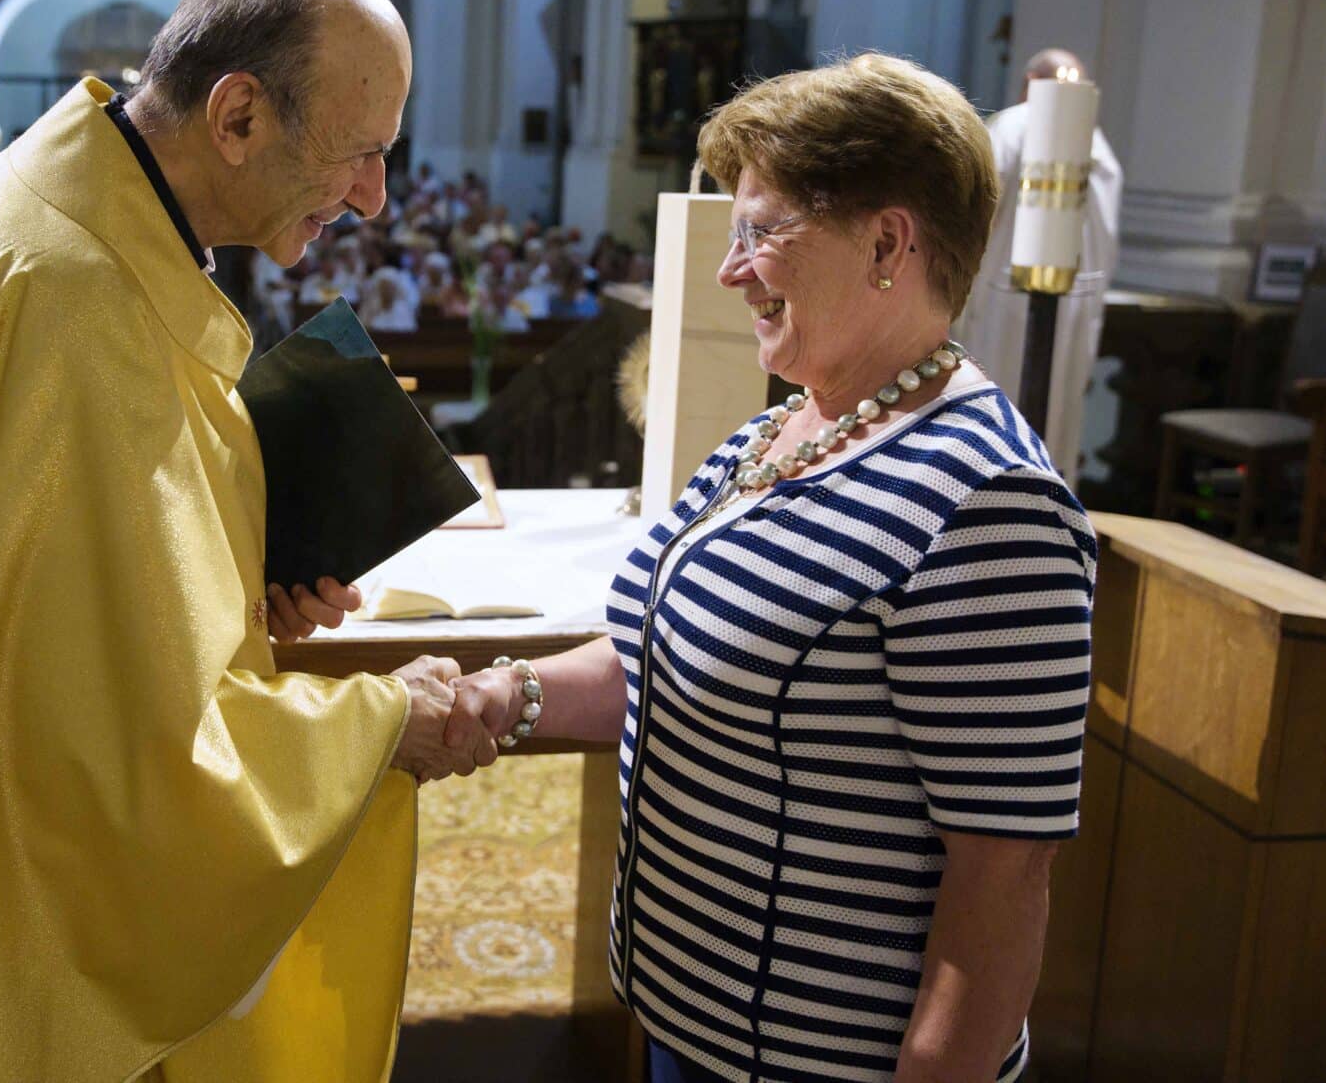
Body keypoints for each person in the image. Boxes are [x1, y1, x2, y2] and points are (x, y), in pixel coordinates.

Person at [0, 0, 494, 1083]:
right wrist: (384, 721)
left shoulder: (54, 220)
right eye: (358, 152)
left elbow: (61, 626)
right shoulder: (77, 306)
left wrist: (230, 579)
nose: (374, 199)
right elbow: (117, 773)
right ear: (236, 117)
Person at [443, 54, 1096, 1083]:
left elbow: (1004, 874)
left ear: (887, 242)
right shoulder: (779, 431)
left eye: (762, 231)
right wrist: (504, 692)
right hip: (690, 1021)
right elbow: (663, 658)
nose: (729, 269)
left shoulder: (983, 502)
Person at [952, 47, 1123, 484]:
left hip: (1002, 299)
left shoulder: (1009, 127)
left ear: (1028, 82)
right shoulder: (1098, 143)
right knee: (1056, 421)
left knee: (995, 415)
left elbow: (975, 212)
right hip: (1075, 302)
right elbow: (1106, 241)